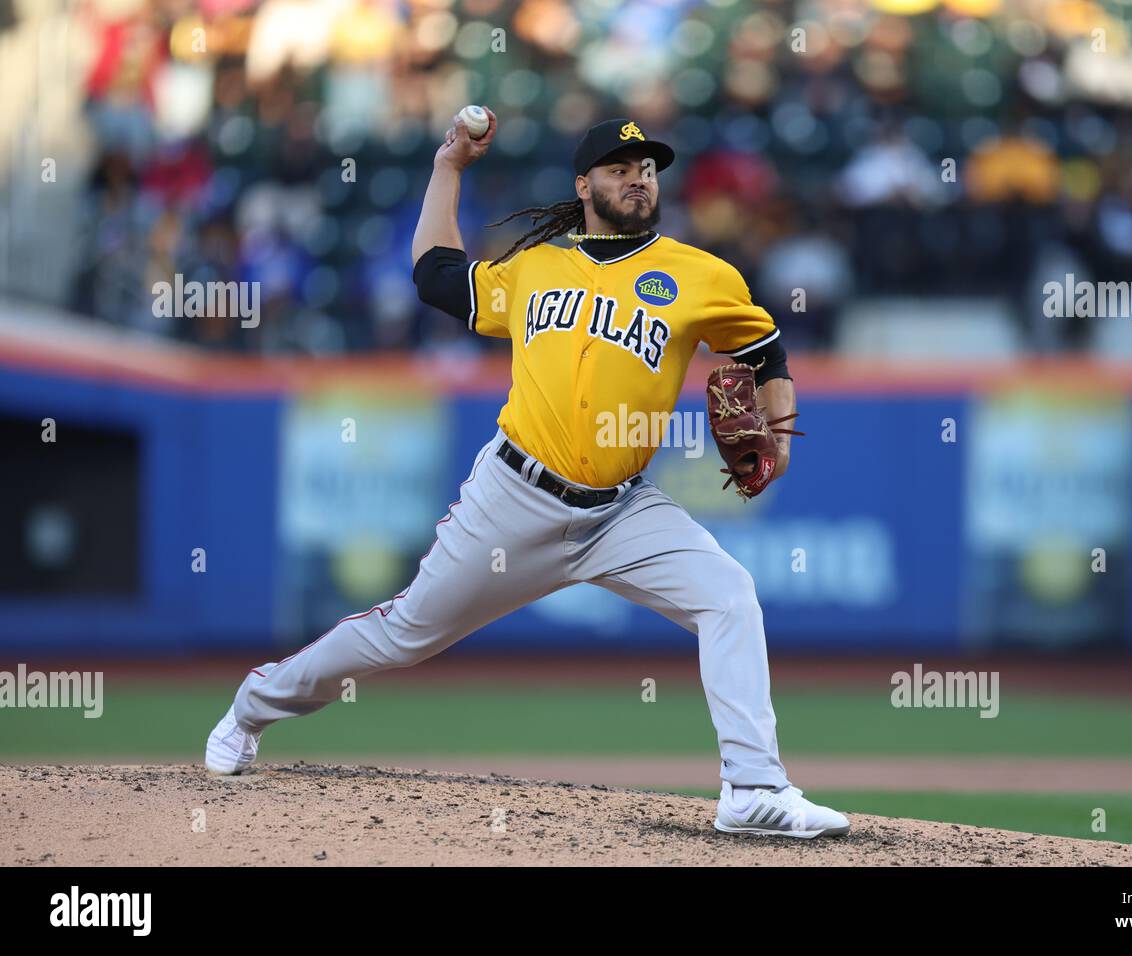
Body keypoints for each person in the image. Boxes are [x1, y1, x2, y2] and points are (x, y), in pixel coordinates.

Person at [205, 113, 850, 839]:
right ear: (584, 185)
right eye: (618, 166)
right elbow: (433, 275)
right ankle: (255, 704)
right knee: (404, 635)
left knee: (729, 594)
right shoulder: (537, 266)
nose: (638, 177)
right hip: (514, 498)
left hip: (622, 514)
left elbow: (766, 353)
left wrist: (781, 439)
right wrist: (449, 166)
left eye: (646, 167)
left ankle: (753, 787)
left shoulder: (702, 275)